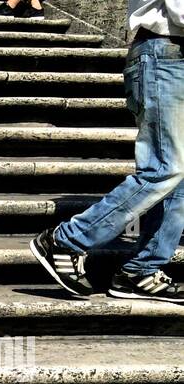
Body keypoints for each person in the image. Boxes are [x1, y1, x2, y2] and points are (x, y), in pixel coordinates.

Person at [29, 0, 184, 303]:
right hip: (164, 54)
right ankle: (65, 241)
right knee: (163, 168)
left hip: (171, 56)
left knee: (178, 175)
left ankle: (142, 271)